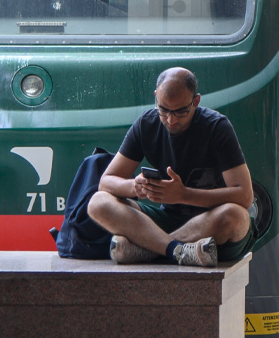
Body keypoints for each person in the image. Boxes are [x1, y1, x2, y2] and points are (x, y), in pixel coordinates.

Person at [87, 67, 255, 266]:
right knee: (98, 202)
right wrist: (135, 187)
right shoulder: (146, 124)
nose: (171, 119)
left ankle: (151, 250)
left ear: (196, 102)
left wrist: (184, 195)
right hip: (166, 221)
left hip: (211, 224)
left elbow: (245, 195)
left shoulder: (217, 127)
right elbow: (106, 182)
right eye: (163, 110)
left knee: (235, 216)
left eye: (181, 111)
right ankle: (177, 250)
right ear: (156, 97)